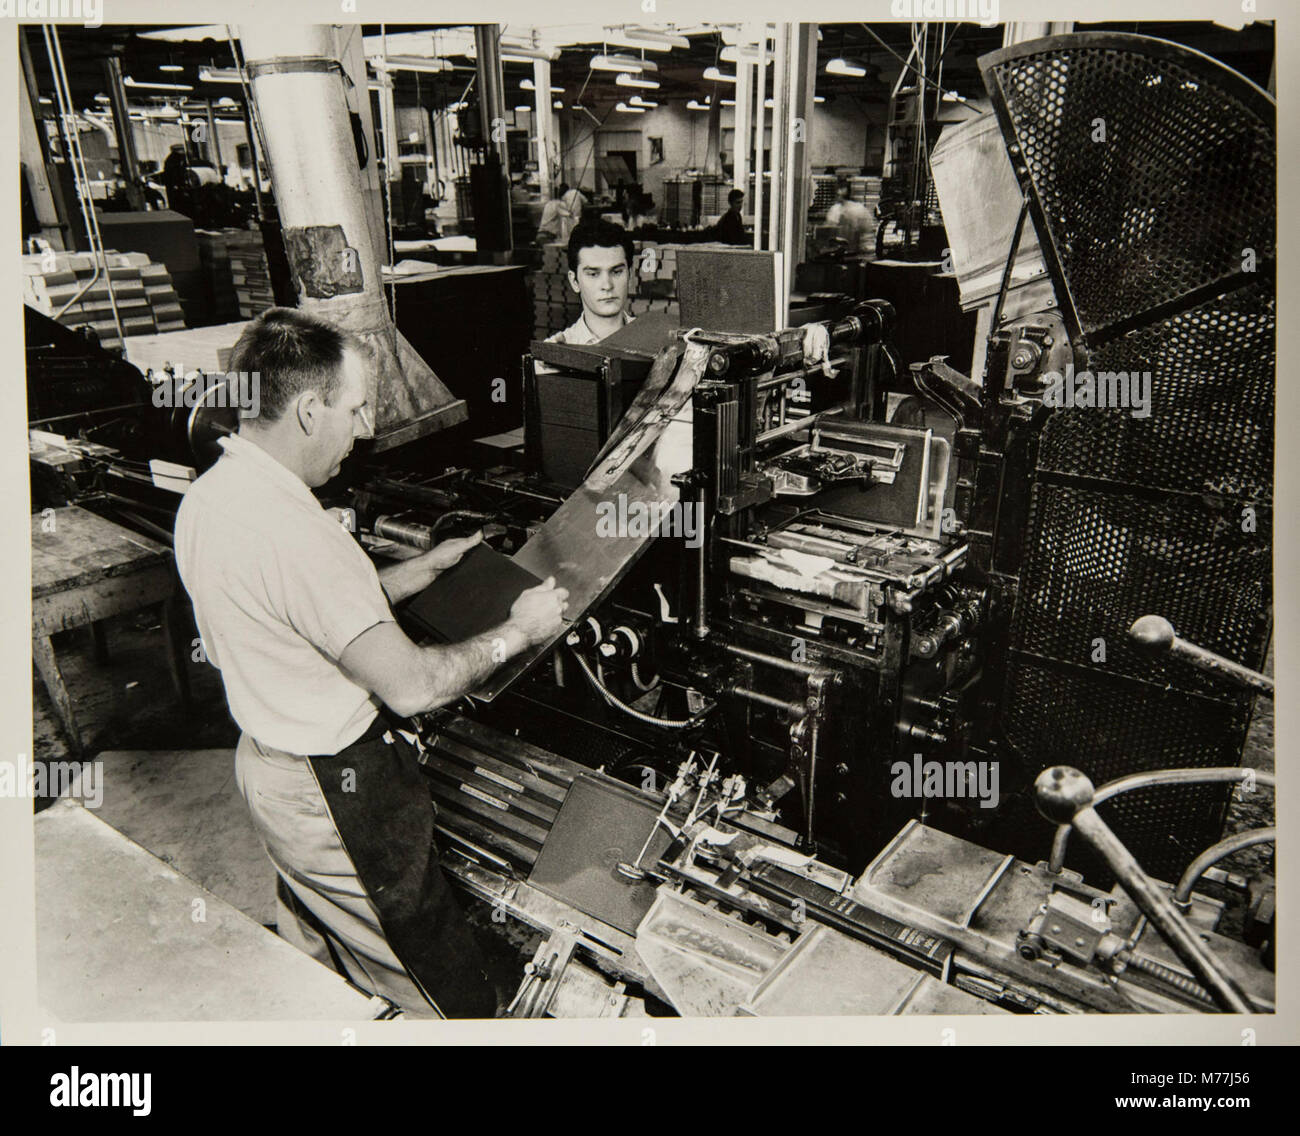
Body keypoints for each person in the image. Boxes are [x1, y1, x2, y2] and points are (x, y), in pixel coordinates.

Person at [173, 308, 569, 1018]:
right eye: (354, 410)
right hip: (337, 792)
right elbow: (414, 687)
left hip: (268, 771)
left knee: (319, 956)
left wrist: (414, 573)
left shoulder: (212, 498)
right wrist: (518, 629)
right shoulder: (299, 535)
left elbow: (297, 615)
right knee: (432, 975)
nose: (362, 431)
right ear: (305, 409)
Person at [545, 219, 636, 347]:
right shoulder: (553, 354)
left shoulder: (657, 340)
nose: (607, 286)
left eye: (616, 272)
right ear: (574, 281)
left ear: (630, 276)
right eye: (593, 274)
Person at [826, 180, 873, 255]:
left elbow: (828, 232)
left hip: (844, 253)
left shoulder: (836, 209)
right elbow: (868, 233)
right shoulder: (862, 209)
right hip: (858, 252)